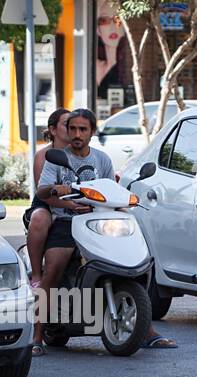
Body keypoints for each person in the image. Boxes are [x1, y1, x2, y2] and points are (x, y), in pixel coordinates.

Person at [32, 108, 177, 354]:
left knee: (138, 260)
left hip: (98, 223)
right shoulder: (55, 158)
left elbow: (111, 191)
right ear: (67, 130)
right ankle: (36, 336)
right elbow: (42, 192)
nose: (77, 134)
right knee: (54, 268)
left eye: (83, 129)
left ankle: (146, 331)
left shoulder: (102, 159)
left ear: (92, 132)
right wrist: (64, 196)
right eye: (73, 128)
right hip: (66, 222)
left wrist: (125, 204)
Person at [25, 107, 71, 290]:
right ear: (53, 130)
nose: (73, 129)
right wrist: (69, 205)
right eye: (67, 125)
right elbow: (43, 192)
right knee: (39, 219)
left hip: (78, 202)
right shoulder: (42, 156)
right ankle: (37, 275)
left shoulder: (82, 152)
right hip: (47, 203)